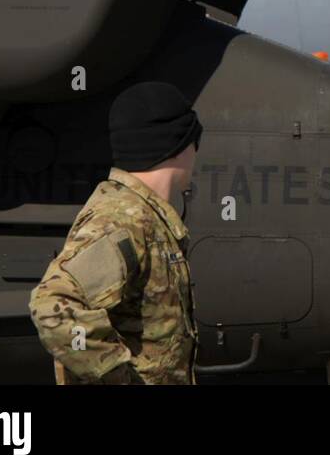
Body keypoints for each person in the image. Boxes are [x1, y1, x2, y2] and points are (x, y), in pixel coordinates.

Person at [30, 82, 202, 384]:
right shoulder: (123, 221)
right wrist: (118, 378)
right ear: (179, 146)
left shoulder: (143, 216)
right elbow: (53, 310)